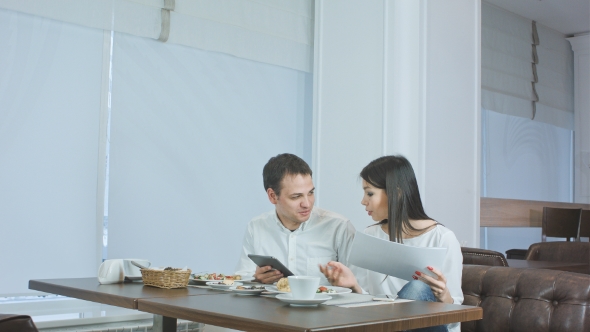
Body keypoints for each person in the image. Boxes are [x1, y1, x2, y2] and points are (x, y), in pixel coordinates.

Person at [320, 155, 463, 332]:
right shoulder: (370, 235)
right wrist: (353, 286)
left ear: (396, 193)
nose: (363, 201)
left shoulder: (442, 238)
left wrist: (444, 296)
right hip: (381, 325)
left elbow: (455, 319)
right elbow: (367, 308)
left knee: (417, 288)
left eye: (370, 193)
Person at [235, 153, 356, 284]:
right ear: (272, 196)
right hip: (271, 304)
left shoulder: (339, 226)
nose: (307, 204)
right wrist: (256, 279)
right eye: (296, 196)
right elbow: (241, 279)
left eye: (310, 193)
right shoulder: (256, 227)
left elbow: (359, 286)